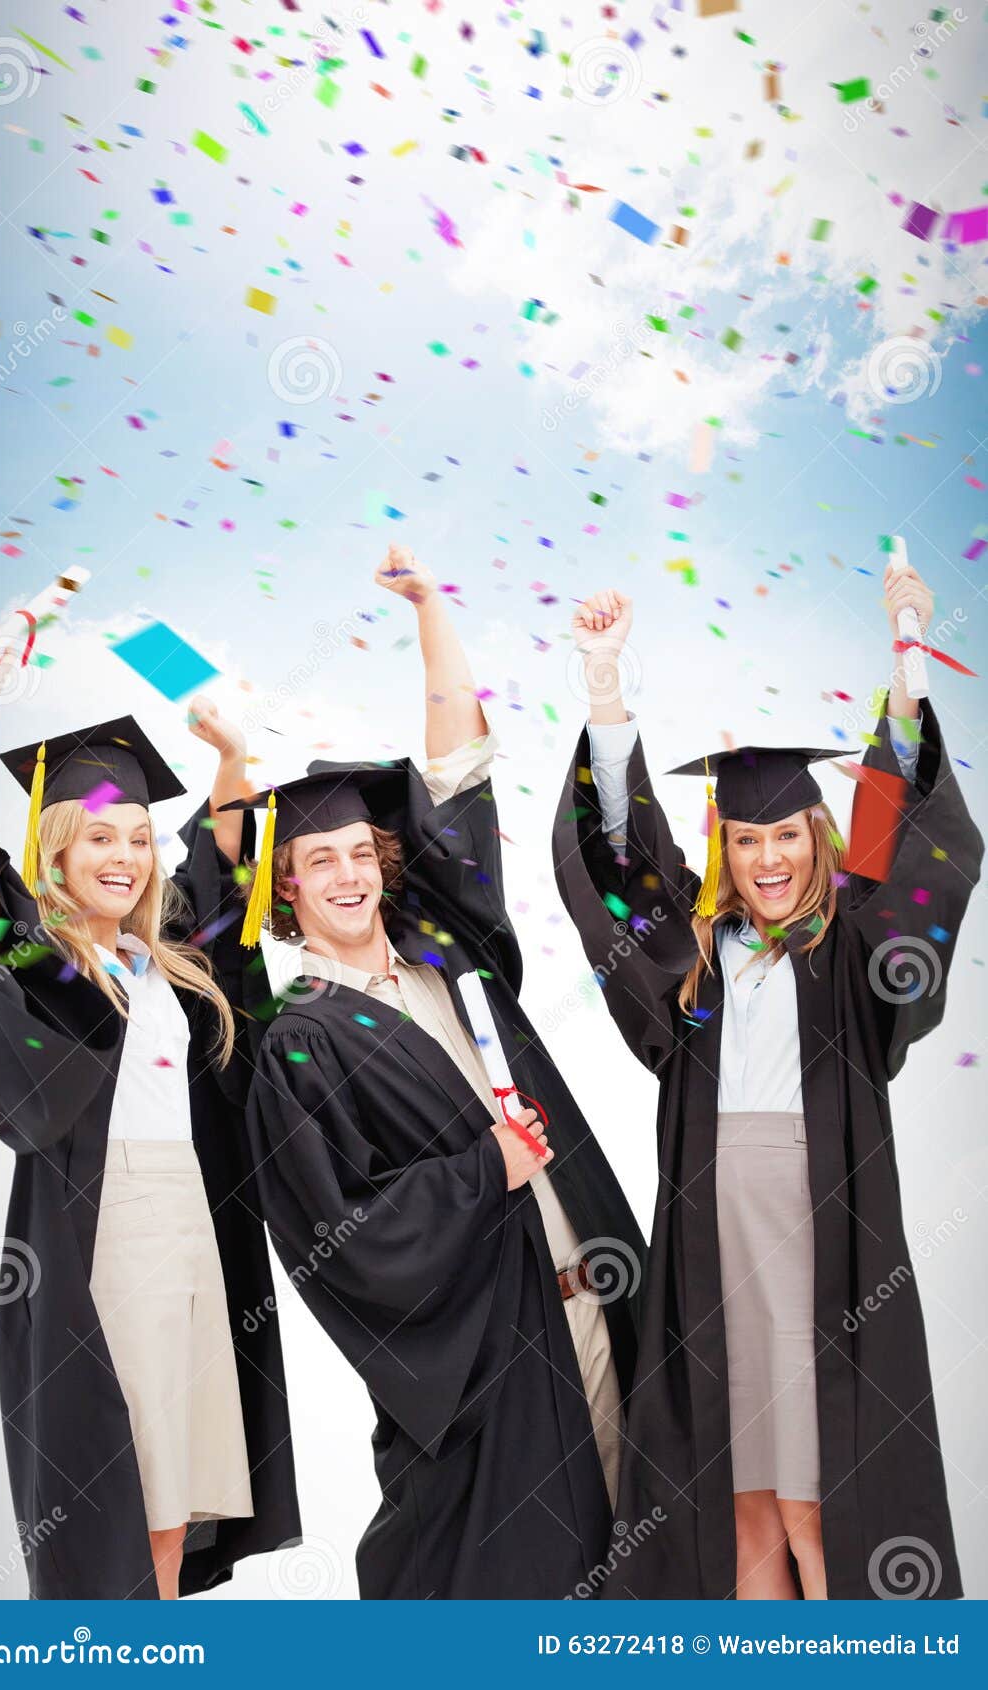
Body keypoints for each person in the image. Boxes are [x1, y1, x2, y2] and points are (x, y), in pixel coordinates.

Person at [223, 546, 649, 1599]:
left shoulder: (450, 961)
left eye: (361, 852)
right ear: (286, 887)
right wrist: (481, 1170)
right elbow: (335, 1235)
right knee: (510, 1571)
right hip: (493, 1352)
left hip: (596, 1294)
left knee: (640, 1554)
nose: (346, 873)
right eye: (318, 860)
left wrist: (431, 612)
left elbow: (456, 782)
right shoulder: (296, 1040)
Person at [551, 571, 982, 1600]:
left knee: (818, 1500)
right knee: (733, 1499)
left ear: (817, 839)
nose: (765, 856)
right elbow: (618, 868)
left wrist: (906, 654)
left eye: (785, 834)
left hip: (824, 1247)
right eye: (744, 839)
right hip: (710, 1251)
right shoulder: (694, 956)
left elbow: (913, 841)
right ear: (724, 850)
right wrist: (604, 687)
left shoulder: (851, 950)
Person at [0, 628, 300, 1599]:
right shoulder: (38, 960)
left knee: (174, 1495)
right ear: (56, 846)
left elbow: (220, 867)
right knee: (112, 1491)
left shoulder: (167, 959)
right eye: (100, 835)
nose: (125, 856)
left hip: (191, 1229)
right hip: (101, 1231)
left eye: (137, 838)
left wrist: (227, 757)